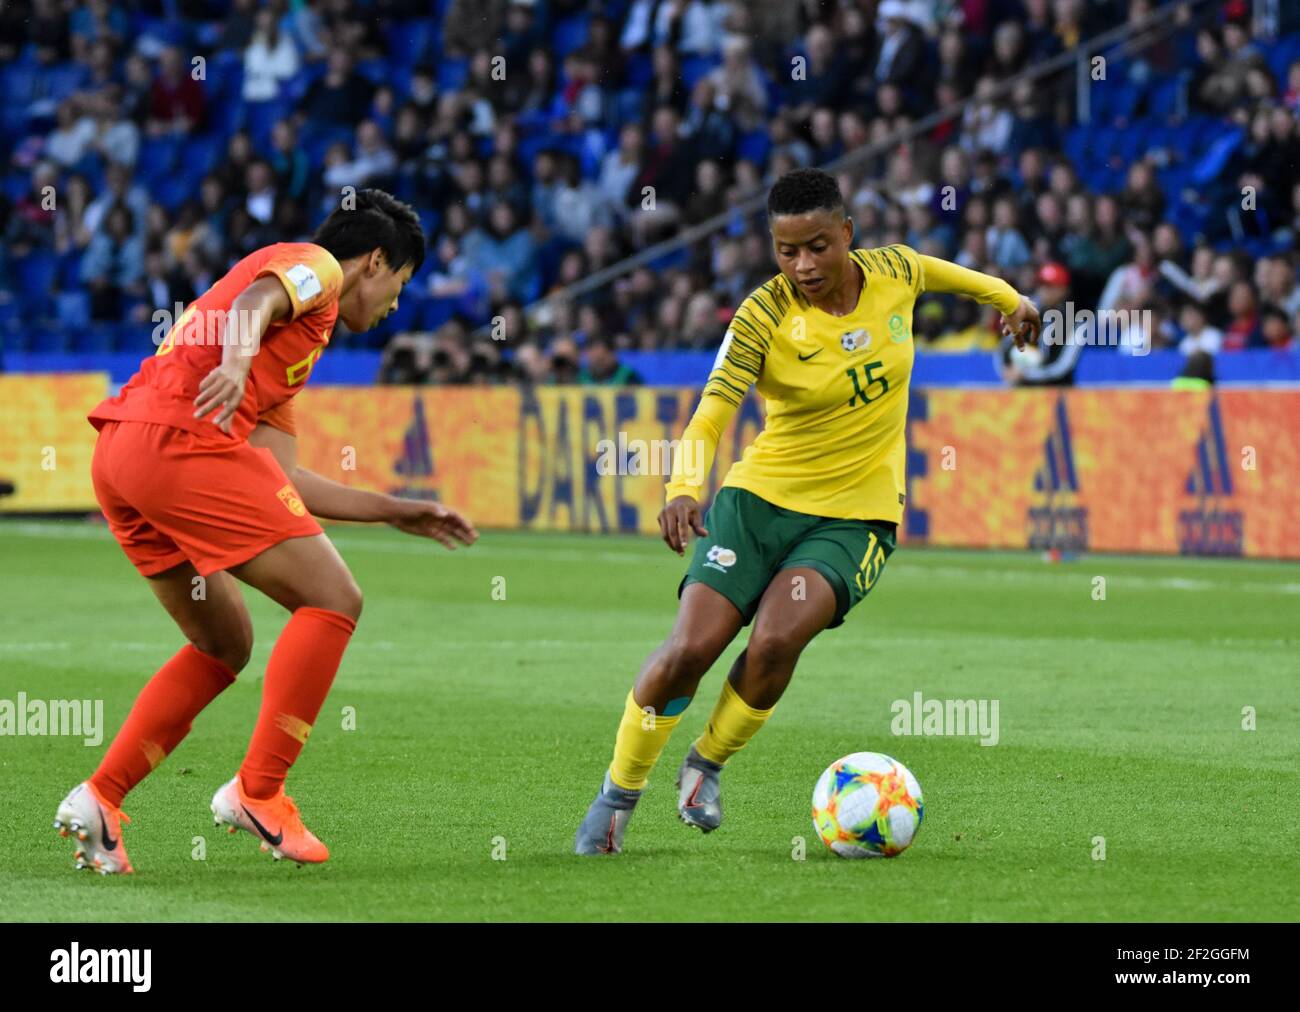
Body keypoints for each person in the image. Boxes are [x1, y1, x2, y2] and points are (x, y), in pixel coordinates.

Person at [574, 169, 1040, 854]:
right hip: (758, 502)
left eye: (817, 247)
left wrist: (1014, 301)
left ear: (846, 233)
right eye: (786, 251)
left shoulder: (896, 272)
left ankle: (706, 763)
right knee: (688, 651)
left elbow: (967, 281)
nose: (803, 266)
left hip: (856, 516)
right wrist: (682, 487)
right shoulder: (762, 316)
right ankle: (619, 794)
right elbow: (710, 416)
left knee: (774, 640)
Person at [55, 190, 478, 875]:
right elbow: (256, 300)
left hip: (128, 457)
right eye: (398, 286)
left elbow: (281, 485)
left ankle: (101, 797)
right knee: (335, 600)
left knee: (225, 644)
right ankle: (259, 791)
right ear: (374, 262)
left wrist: (395, 508)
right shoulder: (317, 268)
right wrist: (229, 362)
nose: (395, 305)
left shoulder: (287, 362)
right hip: (177, 444)